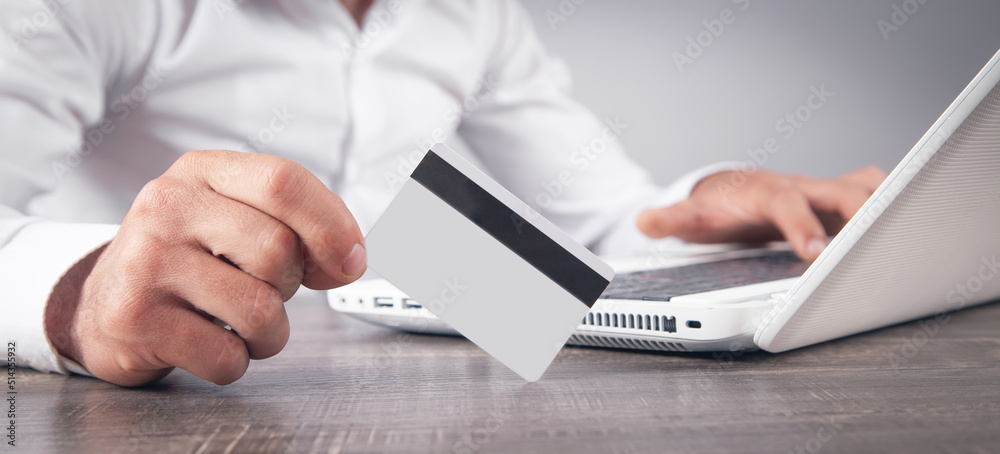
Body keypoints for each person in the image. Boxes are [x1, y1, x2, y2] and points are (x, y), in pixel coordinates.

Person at [0, 0, 884, 387]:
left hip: (451, 346)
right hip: (199, 385)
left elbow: (606, 219)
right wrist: (78, 295)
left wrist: (712, 207)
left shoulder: (472, 13)